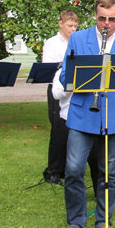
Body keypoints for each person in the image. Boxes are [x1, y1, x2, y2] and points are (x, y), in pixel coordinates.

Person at [56, 0, 115, 228]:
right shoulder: (79, 38)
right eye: (102, 19)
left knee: (109, 172)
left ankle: (104, 222)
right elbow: (65, 77)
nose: (107, 24)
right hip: (84, 110)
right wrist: (81, 78)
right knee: (73, 169)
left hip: (114, 113)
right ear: (95, 16)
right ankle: (75, 224)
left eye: (112, 20)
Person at [41, 10, 79, 185]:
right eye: (70, 25)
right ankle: (54, 169)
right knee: (58, 129)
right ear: (61, 24)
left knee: (71, 128)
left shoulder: (77, 41)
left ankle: (67, 167)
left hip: (74, 87)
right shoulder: (52, 43)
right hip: (58, 86)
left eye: (75, 26)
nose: (73, 29)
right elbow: (49, 66)